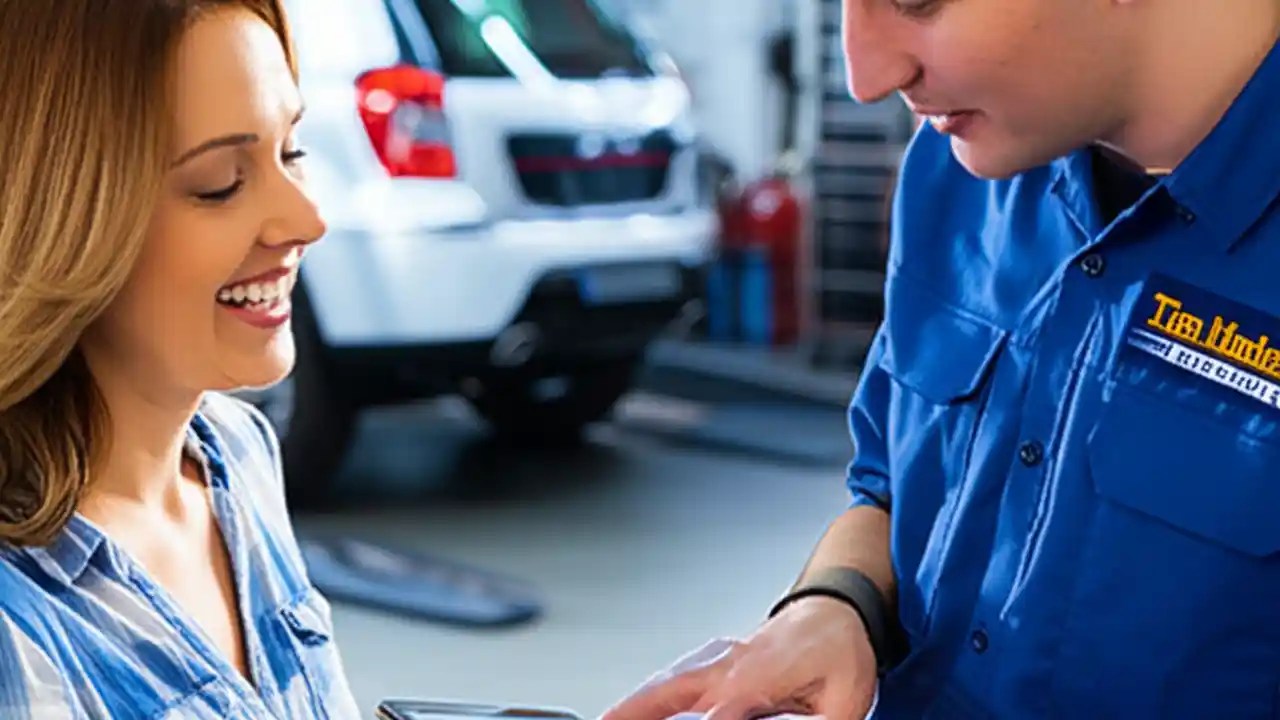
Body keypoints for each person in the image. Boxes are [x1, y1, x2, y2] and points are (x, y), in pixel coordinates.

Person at [604, 0, 1280, 718]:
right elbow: (894, 496)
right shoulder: (955, 166)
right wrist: (838, 604)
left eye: (917, 1)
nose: (867, 76)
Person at [0, 1, 361, 717]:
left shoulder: (239, 452)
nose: (308, 221)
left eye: (291, 150)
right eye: (221, 183)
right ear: (65, 219)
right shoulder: (17, 623)